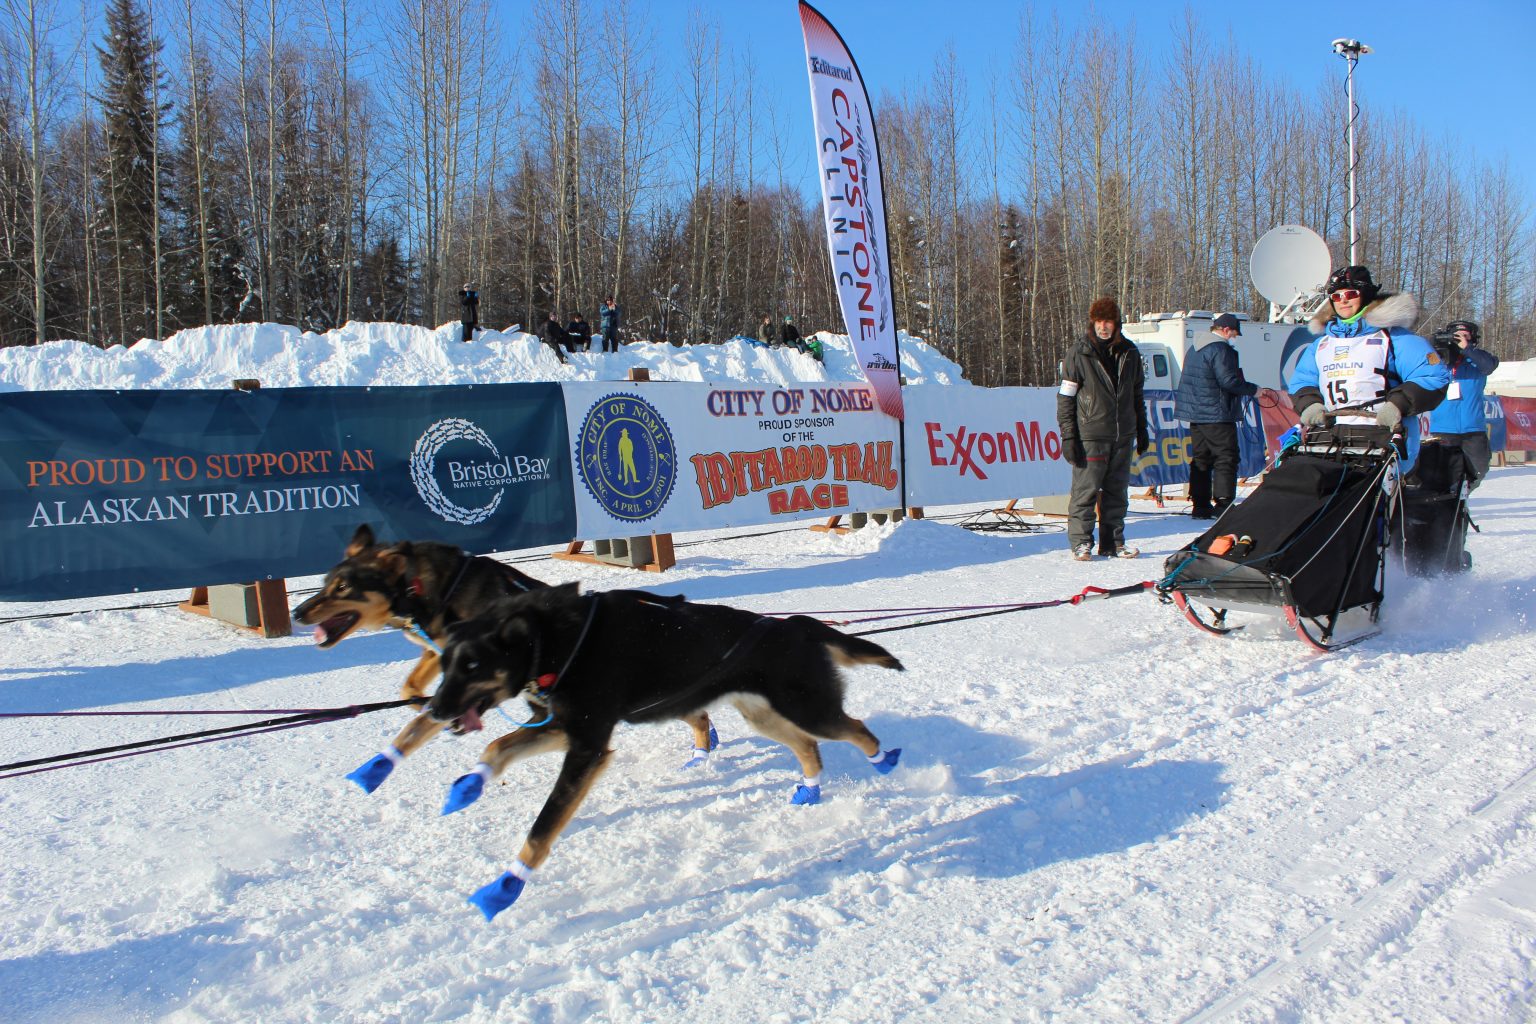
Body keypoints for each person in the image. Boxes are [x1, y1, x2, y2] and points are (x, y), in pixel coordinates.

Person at [1288, 265, 1450, 474]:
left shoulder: (1394, 337)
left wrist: (1396, 405)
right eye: (1336, 297)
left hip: (1381, 436)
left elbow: (1432, 375)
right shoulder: (1321, 345)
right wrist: (1309, 405)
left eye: (1350, 294)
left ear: (1365, 295)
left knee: (1371, 503)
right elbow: (1301, 381)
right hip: (1329, 437)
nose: (1343, 300)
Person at [1056, 296, 1150, 561]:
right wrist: (1069, 436)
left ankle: (1114, 542)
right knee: (1085, 492)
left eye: (1108, 321)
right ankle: (1081, 543)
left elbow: (1137, 395)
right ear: (1092, 323)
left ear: (1116, 323)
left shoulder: (1130, 353)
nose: (1103, 327)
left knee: (1117, 492)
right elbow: (1066, 398)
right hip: (1091, 435)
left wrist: (1142, 429)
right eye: (1099, 321)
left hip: (1123, 435)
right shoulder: (1079, 353)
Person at [1174, 312, 1262, 519]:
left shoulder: (1195, 348)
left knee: (1201, 459)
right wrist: (1254, 390)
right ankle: (1224, 504)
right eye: (1233, 333)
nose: (1233, 338)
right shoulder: (1220, 349)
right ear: (1225, 330)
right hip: (1217, 413)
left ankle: (1200, 505)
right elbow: (1228, 381)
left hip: (1196, 414)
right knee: (1226, 457)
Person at [1427, 320, 1500, 487]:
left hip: (1473, 429)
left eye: (1465, 336)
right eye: (1456, 336)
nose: (1460, 339)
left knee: (1479, 470)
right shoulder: (1439, 359)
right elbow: (1421, 364)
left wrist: (1467, 349)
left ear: (1473, 339)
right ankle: (1448, 504)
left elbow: (1489, 366)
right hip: (1443, 429)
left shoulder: (1478, 360)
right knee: (1442, 474)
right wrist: (1433, 345)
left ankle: (1462, 498)